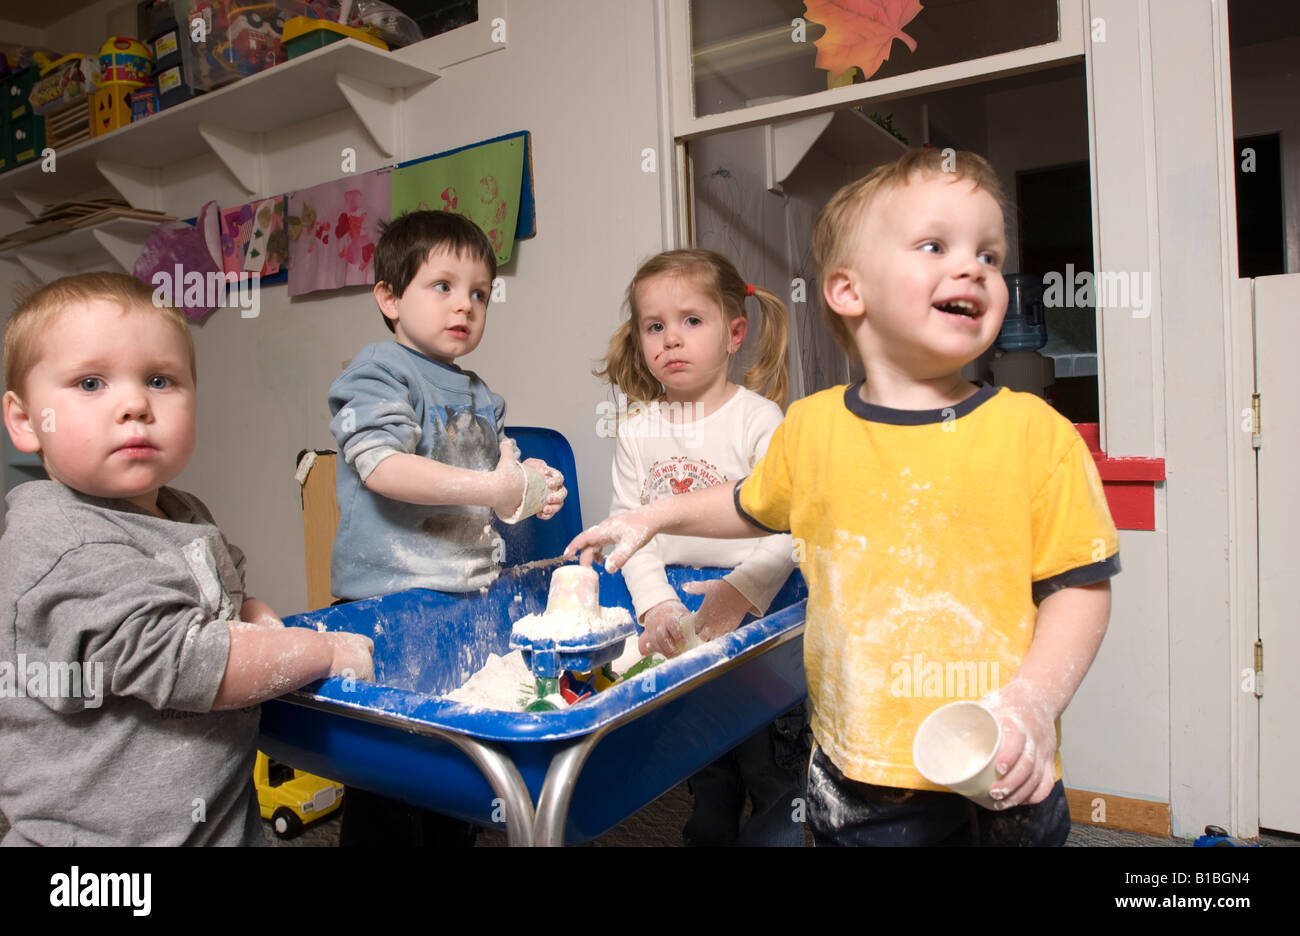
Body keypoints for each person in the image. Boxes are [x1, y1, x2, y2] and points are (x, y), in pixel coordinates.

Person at [568, 148, 1120, 847]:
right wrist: (652, 516)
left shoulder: (1040, 436)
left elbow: (1081, 588)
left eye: (988, 252)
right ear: (848, 291)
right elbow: (747, 507)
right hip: (860, 771)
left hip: (1000, 760)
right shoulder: (815, 429)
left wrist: (1036, 705)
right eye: (935, 245)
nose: (973, 266)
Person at [0, 272, 374, 846]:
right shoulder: (62, 542)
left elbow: (219, 602)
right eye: (91, 382)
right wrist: (321, 650)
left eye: (159, 380)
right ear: (26, 421)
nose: (134, 404)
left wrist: (253, 615)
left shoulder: (180, 510)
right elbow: (184, 659)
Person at [328, 210, 566, 846]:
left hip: (463, 595)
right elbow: (382, 468)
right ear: (389, 298)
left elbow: (501, 473)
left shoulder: (481, 395)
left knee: (457, 770)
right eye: (443, 286)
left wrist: (530, 485)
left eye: (480, 294)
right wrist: (494, 486)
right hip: (388, 602)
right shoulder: (379, 372)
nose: (465, 305)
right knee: (390, 780)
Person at [594, 247, 805, 846]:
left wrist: (740, 593)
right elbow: (629, 533)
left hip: (765, 619)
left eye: (692, 321)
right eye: (655, 326)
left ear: (734, 332)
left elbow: (791, 526)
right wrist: (657, 605)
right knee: (705, 767)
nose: (671, 339)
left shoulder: (760, 421)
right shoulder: (637, 433)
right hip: (682, 620)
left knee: (772, 771)